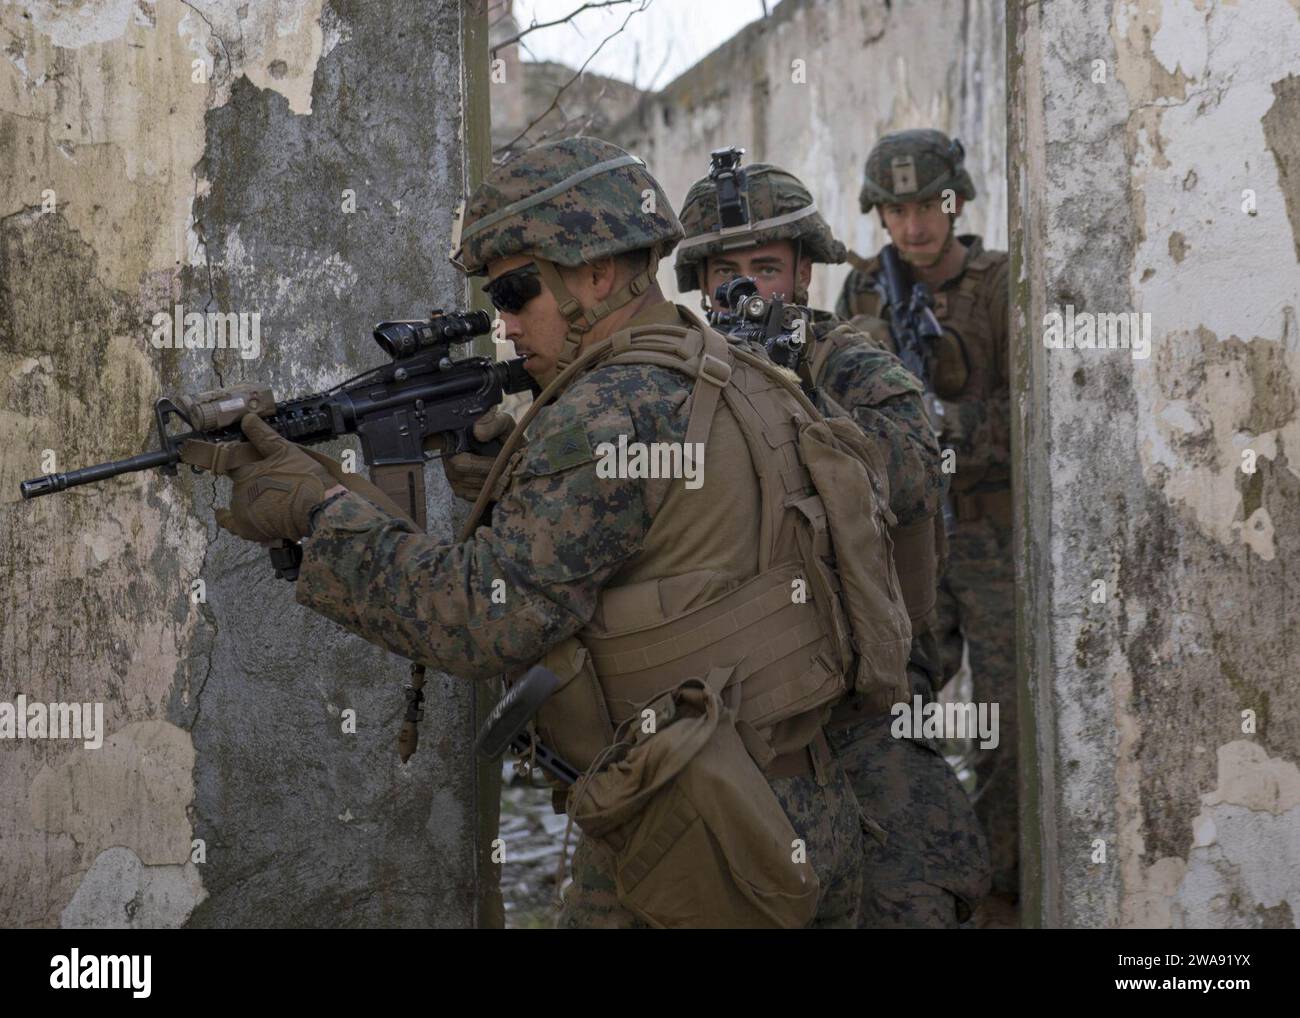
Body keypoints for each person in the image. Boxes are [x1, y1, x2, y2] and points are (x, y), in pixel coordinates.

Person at [210, 137, 909, 929]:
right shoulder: (728, 366)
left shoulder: (612, 406)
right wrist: (502, 479)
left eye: (515, 291)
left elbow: (481, 620)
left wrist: (317, 513)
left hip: (703, 830)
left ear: (596, 272)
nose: (503, 324)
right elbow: (672, 547)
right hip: (794, 803)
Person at [674, 155, 990, 928]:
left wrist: (796, 401)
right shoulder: (674, 378)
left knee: (912, 891)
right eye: (725, 272)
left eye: (765, 269)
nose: (744, 289)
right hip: (723, 703)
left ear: (805, 275)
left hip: (857, 705)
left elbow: (912, 479)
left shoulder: (846, 362)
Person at [837, 128, 1015, 917]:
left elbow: (1035, 410)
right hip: (906, 540)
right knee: (891, 712)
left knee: (1006, 725)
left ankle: (1005, 886)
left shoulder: (1002, 283)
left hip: (988, 533)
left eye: (929, 205)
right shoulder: (864, 294)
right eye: (898, 209)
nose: (915, 225)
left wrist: (945, 424)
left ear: (957, 202)